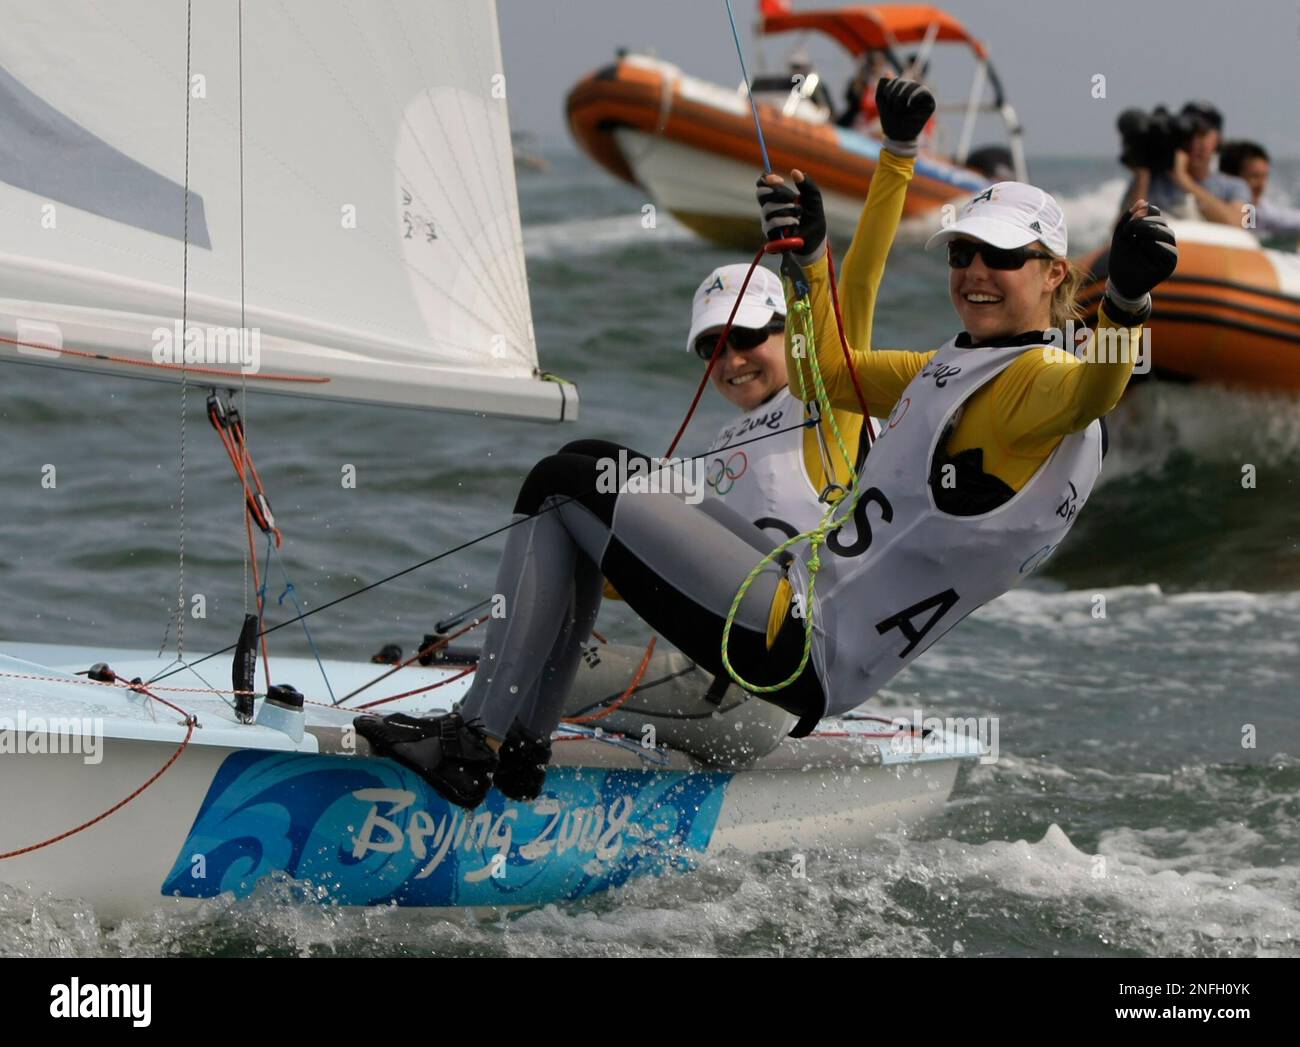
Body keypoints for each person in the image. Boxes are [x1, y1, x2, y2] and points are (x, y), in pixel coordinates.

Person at [354, 79, 1178, 810]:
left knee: (562, 485)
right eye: (964, 251)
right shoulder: (961, 367)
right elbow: (829, 363)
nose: (974, 270)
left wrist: (1132, 299)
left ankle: (478, 743)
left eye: (1001, 256)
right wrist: (825, 241)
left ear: (1053, 273)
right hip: (797, 608)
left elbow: (1094, 389)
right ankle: (516, 748)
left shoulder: (1036, 387)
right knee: (587, 474)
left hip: (802, 643)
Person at [1122, 102, 1250, 225]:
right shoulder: (1151, 181)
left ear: (1219, 139)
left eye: (1202, 134)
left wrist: (1183, 180)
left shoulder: (1234, 187)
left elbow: (1237, 223)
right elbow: (1123, 231)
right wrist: (1142, 174)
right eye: (1188, 136)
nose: (1194, 144)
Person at [1219, 139, 1300, 246]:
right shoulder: (1208, 204)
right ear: (1232, 179)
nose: (1262, 185)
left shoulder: (1260, 212)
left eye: (1264, 177)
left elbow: (1287, 219)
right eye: (1255, 177)